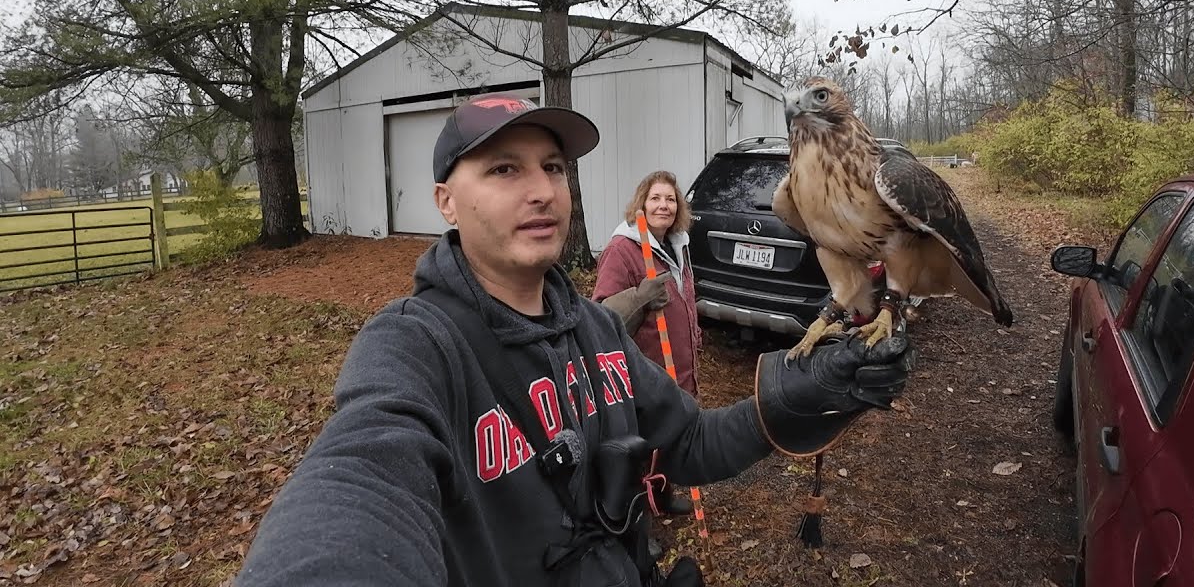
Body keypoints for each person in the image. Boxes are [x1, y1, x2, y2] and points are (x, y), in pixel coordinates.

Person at [234, 93, 917, 587]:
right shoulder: (416, 346)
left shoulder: (596, 330)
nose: (542, 191)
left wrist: (796, 400)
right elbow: (357, 486)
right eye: (504, 169)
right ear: (446, 201)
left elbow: (688, 442)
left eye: (554, 167)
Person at [593, 171, 701, 517]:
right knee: (642, 443)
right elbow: (601, 315)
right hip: (644, 368)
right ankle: (635, 516)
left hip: (678, 366)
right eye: (655, 198)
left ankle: (663, 495)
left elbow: (686, 299)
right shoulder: (622, 249)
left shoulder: (678, 245)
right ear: (642, 203)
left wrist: (694, 337)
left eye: (670, 199)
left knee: (670, 435)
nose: (663, 206)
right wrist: (639, 296)